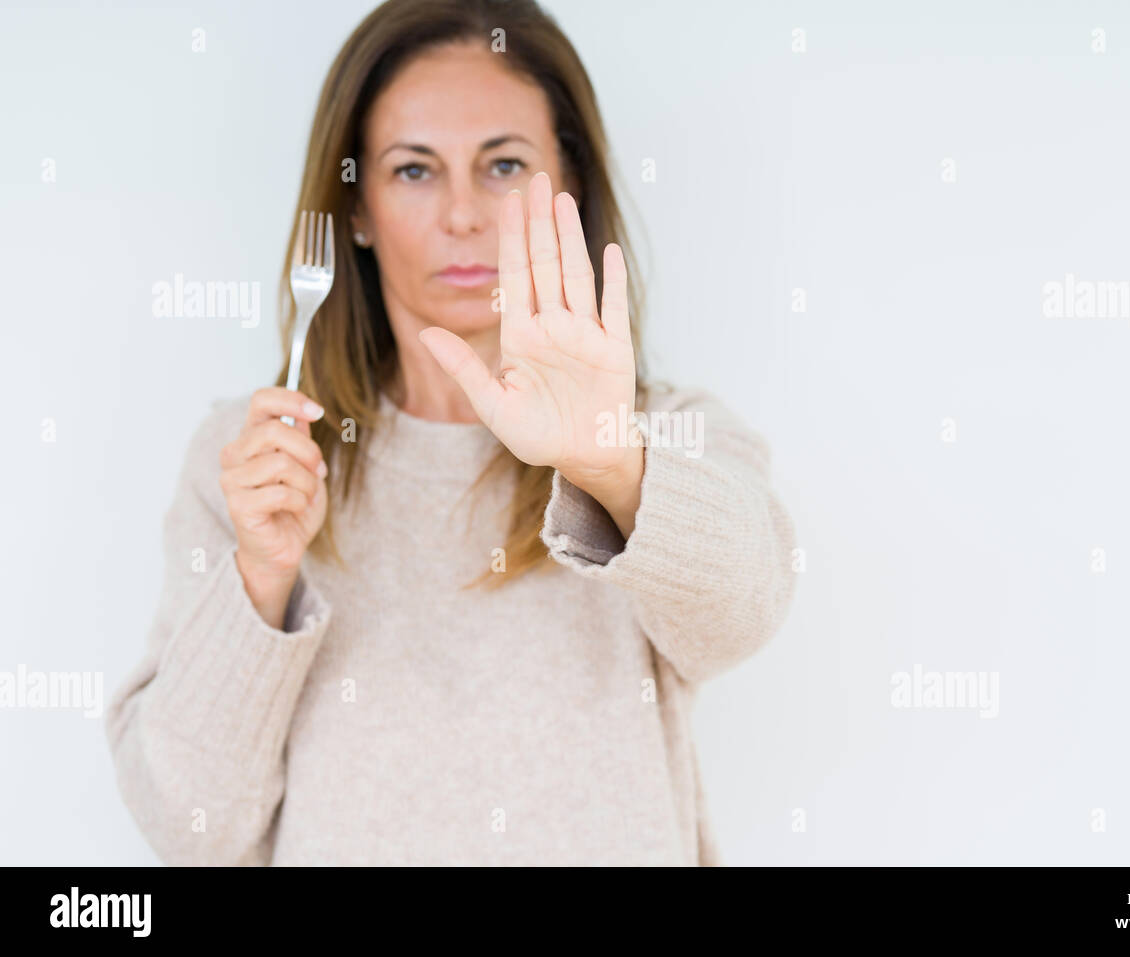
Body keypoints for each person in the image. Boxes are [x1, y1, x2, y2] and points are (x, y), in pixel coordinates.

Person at [104, 0, 797, 866]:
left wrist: (613, 461)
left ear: (570, 191)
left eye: (503, 164)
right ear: (354, 210)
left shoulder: (664, 432)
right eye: (413, 171)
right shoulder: (250, 464)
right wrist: (261, 580)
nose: (463, 213)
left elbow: (743, 617)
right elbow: (186, 824)